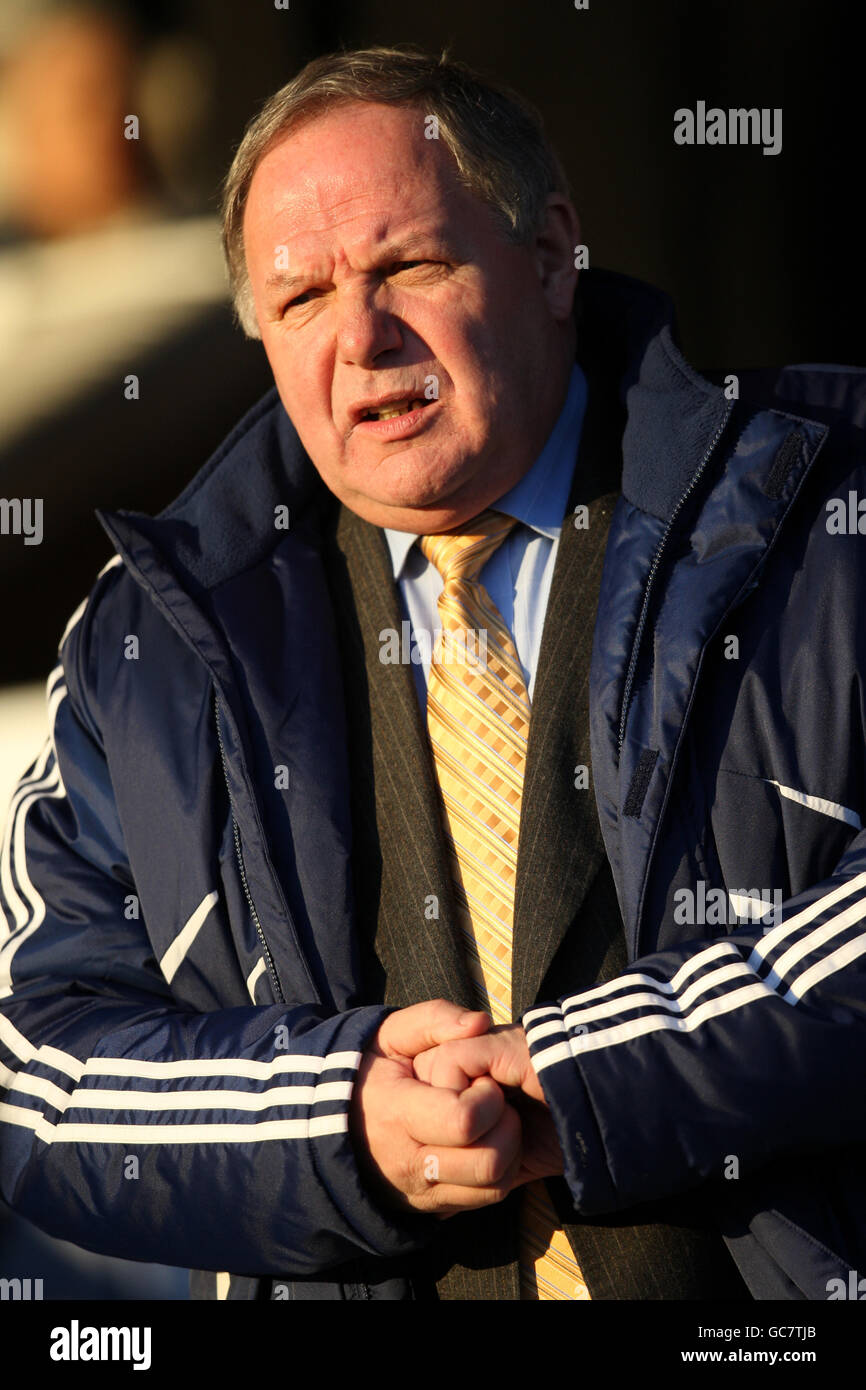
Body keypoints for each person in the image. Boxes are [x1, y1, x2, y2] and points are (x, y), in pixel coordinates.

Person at [1, 43, 864, 1302]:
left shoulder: (828, 498)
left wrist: (583, 1080)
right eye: (299, 300)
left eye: (408, 264)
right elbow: (39, 1070)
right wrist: (339, 1115)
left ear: (553, 252)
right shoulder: (148, 648)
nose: (360, 334)